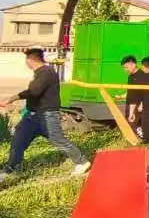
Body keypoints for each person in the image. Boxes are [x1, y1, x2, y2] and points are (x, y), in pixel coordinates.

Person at [0, 48, 91, 182]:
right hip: (32, 116)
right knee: (18, 139)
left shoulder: (47, 72)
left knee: (57, 139)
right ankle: (13, 170)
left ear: (30, 60)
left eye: (26, 60)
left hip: (47, 116)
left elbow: (34, 91)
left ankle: (82, 161)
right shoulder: (40, 73)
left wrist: (12, 98)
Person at [121, 55, 140, 126]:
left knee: (136, 128)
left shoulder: (142, 76)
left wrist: (132, 111)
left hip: (138, 108)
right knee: (130, 126)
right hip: (130, 105)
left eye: (126, 67)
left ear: (133, 64)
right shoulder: (130, 77)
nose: (125, 70)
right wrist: (121, 96)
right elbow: (130, 91)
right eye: (124, 68)